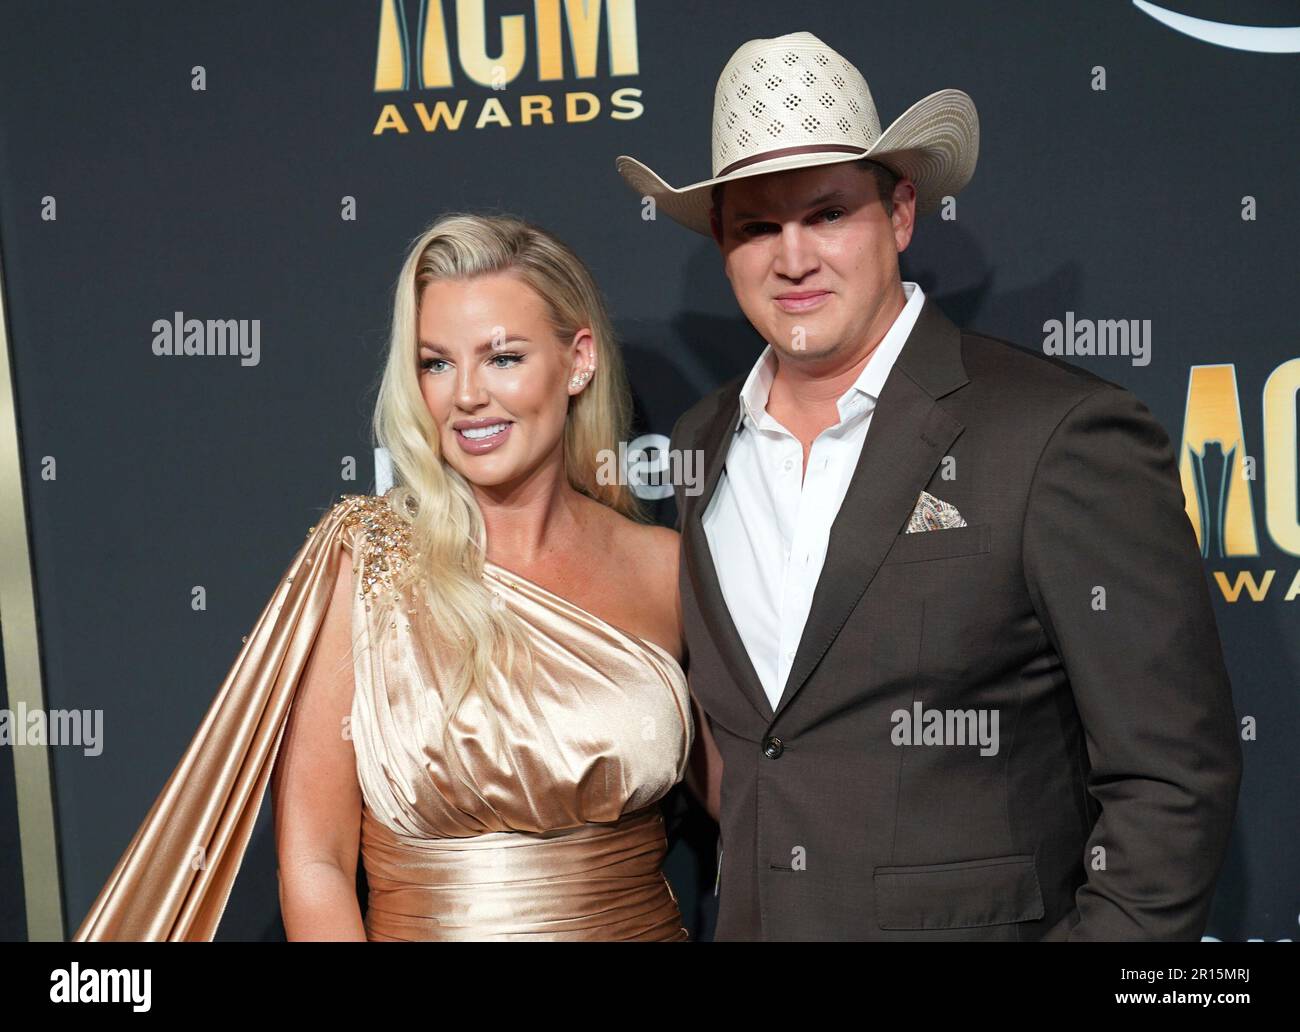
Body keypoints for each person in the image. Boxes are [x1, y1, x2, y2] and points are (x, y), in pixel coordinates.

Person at [617, 30, 1242, 940]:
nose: (793, 258)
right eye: (758, 225)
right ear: (723, 241)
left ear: (901, 213)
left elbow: (1172, 782)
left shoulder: (1057, 433)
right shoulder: (700, 443)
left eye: (827, 213)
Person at [74, 213, 692, 941]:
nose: (466, 396)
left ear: (578, 360)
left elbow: (750, 796)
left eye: (502, 358)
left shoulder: (663, 567)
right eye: (435, 363)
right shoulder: (365, 557)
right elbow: (315, 859)